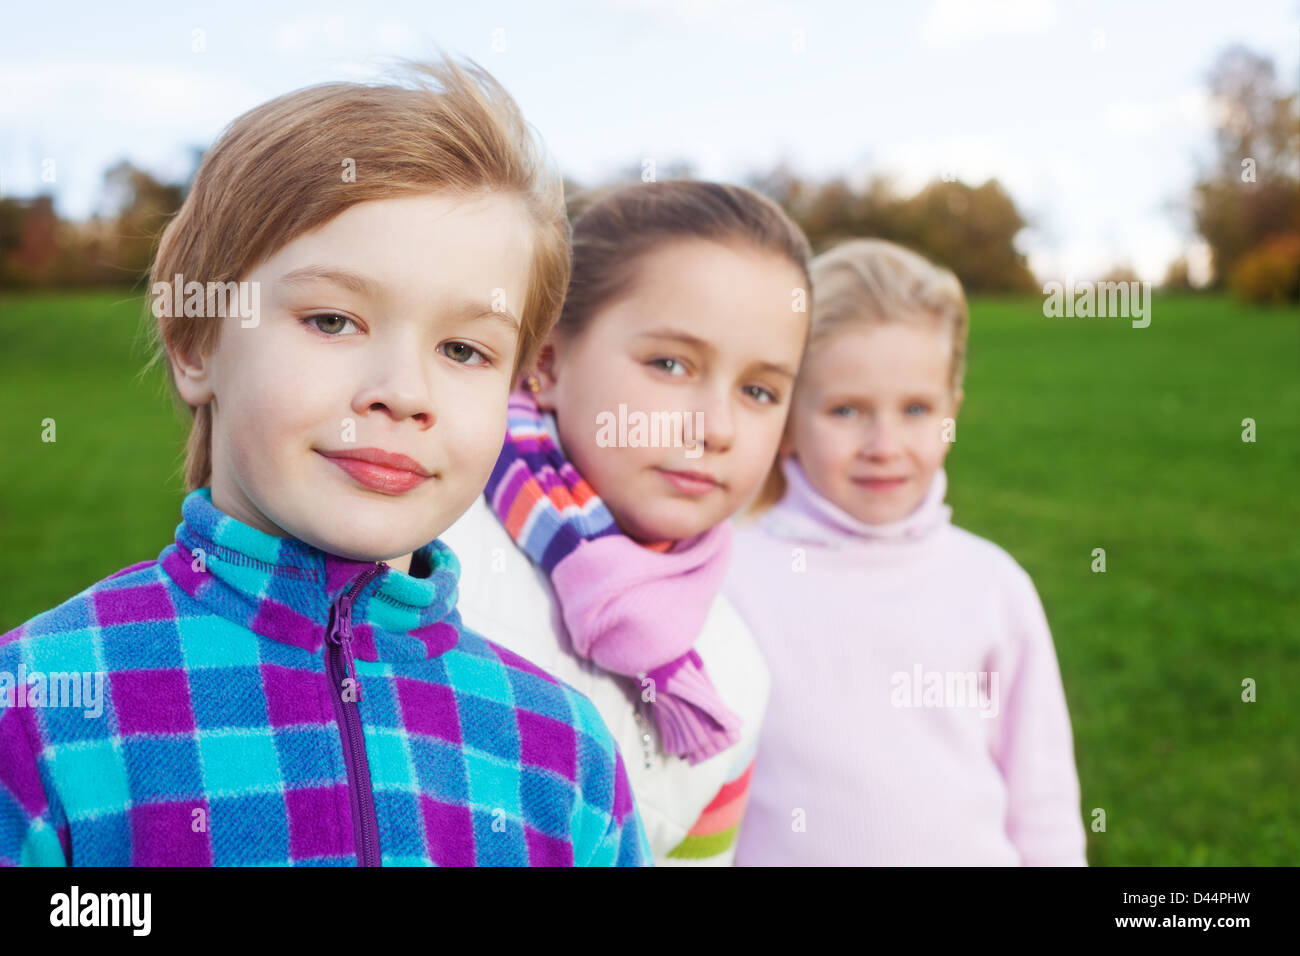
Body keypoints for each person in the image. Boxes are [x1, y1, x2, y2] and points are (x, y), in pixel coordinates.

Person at [0, 57, 650, 867]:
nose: (403, 392)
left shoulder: (565, 753)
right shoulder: (38, 709)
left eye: (462, 348)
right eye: (334, 320)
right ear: (195, 341)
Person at [439, 180, 812, 863]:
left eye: (760, 391)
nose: (717, 427)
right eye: (670, 364)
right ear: (548, 362)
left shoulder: (728, 677)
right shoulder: (420, 561)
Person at [727, 239, 1087, 866]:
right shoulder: (729, 577)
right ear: (786, 423)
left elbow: (1044, 798)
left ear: (953, 413)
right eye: (847, 410)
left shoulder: (992, 585)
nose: (884, 444)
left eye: (917, 409)